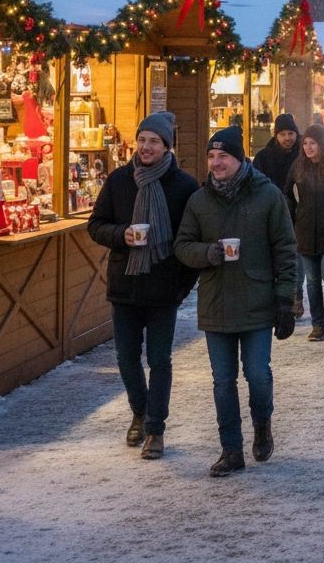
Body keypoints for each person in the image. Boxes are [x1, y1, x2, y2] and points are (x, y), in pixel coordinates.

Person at [174, 127, 297, 477]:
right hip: (216, 304)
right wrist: (209, 252)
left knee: (257, 375)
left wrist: (285, 300)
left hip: (257, 301)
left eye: (222, 156)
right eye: (211, 157)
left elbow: (285, 250)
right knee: (222, 381)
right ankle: (230, 449)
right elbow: (182, 246)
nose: (215, 163)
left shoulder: (267, 195)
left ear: (238, 159)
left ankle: (262, 424)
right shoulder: (199, 201)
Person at [87, 112, 198, 460]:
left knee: (160, 360)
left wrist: (182, 287)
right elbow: (96, 225)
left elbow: (191, 240)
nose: (147, 146)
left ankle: (154, 430)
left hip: (164, 289)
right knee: (126, 359)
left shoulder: (184, 186)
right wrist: (123, 235)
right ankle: (139, 409)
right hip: (125, 285)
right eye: (143, 139)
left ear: (167, 146)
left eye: (155, 141)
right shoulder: (120, 180)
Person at [286, 124, 324, 342]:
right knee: (312, 281)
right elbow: (287, 195)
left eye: (312, 143)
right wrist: (294, 218)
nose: (308, 147)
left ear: (322, 143)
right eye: (305, 143)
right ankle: (317, 325)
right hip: (304, 232)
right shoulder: (298, 166)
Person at [252, 114, 303, 316]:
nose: (287, 138)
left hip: (297, 215)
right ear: (276, 135)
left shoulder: (302, 155)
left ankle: (295, 297)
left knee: (294, 259)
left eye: (291, 133)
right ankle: (278, 297)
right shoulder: (264, 157)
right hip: (270, 214)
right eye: (283, 134)